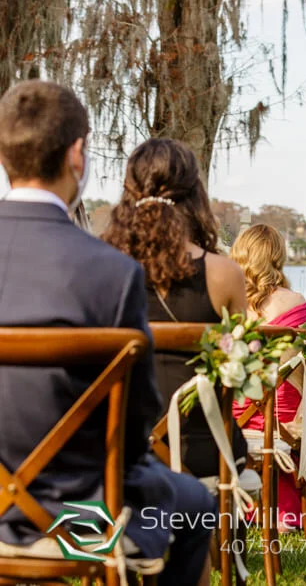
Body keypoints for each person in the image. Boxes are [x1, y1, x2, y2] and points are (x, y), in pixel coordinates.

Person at [0, 81, 213, 585]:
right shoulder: (109, 271)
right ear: (77, 154)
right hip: (81, 515)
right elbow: (138, 415)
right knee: (197, 504)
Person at [102, 137, 249, 478]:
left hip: (120, 451)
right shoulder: (225, 274)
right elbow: (238, 368)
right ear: (196, 194)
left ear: (128, 192)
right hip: (204, 450)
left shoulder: (102, 267)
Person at [230, 223, 306, 532]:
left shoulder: (230, 303)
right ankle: (284, 508)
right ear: (278, 256)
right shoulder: (296, 301)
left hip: (237, 413)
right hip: (284, 415)